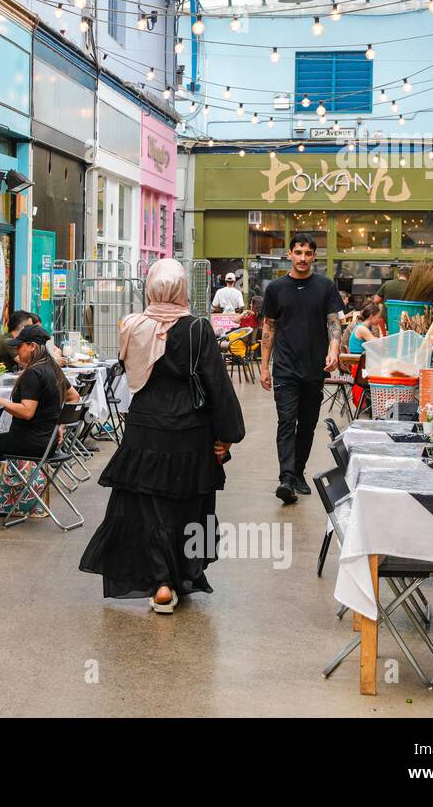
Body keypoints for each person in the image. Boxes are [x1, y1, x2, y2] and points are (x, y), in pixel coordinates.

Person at [80, 259, 245, 614]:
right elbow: (217, 383)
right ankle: (182, 574)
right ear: (182, 289)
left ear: (151, 288)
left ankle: (161, 583)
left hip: (146, 428)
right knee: (187, 504)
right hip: (190, 430)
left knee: (149, 506)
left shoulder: (132, 325)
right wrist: (229, 434)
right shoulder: (198, 329)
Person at [259, 234, 345, 506]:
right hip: (285, 368)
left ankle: (298, 472)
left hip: (314, 368)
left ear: (314, 256)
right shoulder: (276, 289)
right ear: (289, 254)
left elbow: (334, 322)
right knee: (287, 421)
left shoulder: (325, 286)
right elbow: (269, 327)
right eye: (298, 252)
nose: (303, 258)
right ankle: (286, 478)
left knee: (307, 424)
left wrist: (334, 350)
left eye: (308, 253)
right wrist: (264, 367)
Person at [0, 324, 71, 516]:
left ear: (32, 346)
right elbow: (74, 397)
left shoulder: (33, 373)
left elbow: (27, 412)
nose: (17, 351)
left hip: (32, 441)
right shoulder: (54, 368)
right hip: (49, 442)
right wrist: (60, 425)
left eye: (20, 346)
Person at [373, 264, 411, 333]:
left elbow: (376, 300)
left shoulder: (388, 283)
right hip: (405, 319)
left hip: (388, 317)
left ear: (398, 275)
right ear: (409, 276)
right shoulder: (412, 286)